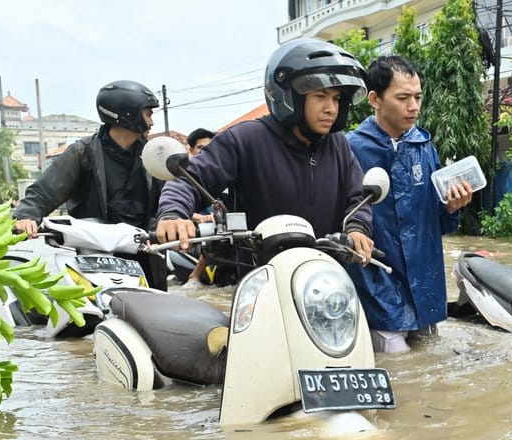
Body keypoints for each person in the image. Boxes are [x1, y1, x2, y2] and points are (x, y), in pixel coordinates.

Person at [153, 38, 375, 269]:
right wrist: (173, 214)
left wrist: (357, 228)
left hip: (323, 276)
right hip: (260, 278)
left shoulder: (337, 144)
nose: (331, 108)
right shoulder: (245, 139)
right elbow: (191, 179)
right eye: (320, 96)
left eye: (337, 98)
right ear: (289, 96)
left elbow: (357, 195)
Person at [345, 55, 473, 353]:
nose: (413, 106)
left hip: (423, 276)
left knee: (430, 353)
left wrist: (453, 206)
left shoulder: (425, 147)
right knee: (396, 354)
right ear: (375, 99)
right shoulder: (351, 149)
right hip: (376, 273)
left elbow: (438, 219)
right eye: (403, 98)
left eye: (417, 97)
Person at [11, 80, 168, 290]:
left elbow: (171, 196)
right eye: (148, 114)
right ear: (128, 114)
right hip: (96, 258)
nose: (151, 123)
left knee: (155, 315)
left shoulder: (153, 155)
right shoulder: (82, 153)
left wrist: (185, 215)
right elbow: (44, 192)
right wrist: (26, 216)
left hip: (146, 253)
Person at [183, 127, 217, 287]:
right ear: (190, 149)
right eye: (201, 148)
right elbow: (178, 209)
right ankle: (194, 275)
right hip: (198, 232)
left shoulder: (221, 174)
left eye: (210, 148)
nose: (206, 153)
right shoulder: (184, 177)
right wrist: (200, 217)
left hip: (220, 226)